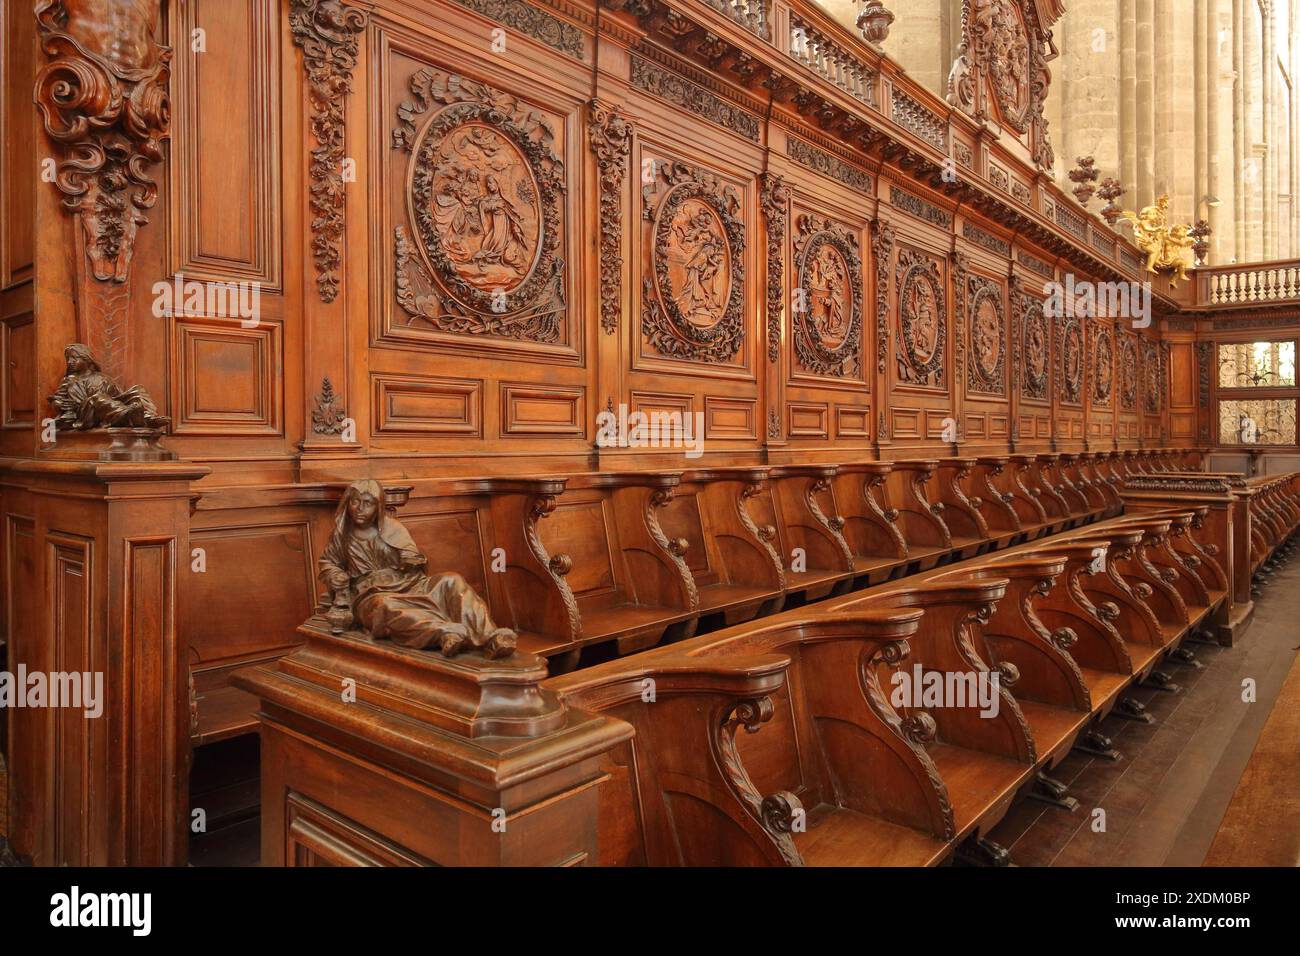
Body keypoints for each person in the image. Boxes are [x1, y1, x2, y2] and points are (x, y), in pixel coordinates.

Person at [318, 479, 517, 658]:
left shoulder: (392, 528)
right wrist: (335, 574)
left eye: (367, 503)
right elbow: (328, 562)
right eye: (355, 502)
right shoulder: (341, 534)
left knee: (451, 580)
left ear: (378, 507)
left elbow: (414, 557)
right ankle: (446, 633)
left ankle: (490, 636)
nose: (360, 508)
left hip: (408, 582)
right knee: (386, 607)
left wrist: (412, 560)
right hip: (370, 593)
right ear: (348, 503)